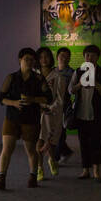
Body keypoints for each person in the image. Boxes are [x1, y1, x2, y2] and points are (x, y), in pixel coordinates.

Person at [0, 47, 49, 189]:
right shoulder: (11, 78)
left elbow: (48, 98)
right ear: (20, 60)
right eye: (26, 59)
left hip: (30, 119)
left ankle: (32, 176)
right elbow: (1, 99)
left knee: (31, 150)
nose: (29, 62)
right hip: (12, 117)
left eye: (31, 60)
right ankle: (1, 177)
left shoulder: (38, 79)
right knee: (7, 148)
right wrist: (13, 103)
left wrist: (33, 100)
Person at [68, 44, 101, 180]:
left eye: (92, 55)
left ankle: (96, 171)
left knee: (96, 143)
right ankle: (85, 170)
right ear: (84, 56)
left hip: (97, 114)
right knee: (83, 143)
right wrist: (80, 84)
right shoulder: (78, 71)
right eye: (87, 55)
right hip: (81, 114)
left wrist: (95, 83)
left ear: (97, 57)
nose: (89, 57)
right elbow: (70, 90)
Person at [35, 47, 62, 178]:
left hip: (50, 114)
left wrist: (49, 108)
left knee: (48, 141)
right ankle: (39, 168)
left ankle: (51, 159)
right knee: (38, 141)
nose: (43, 60)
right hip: (36, 113)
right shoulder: (34, 75)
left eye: (46, 56)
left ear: (51, 58)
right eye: (40, 57)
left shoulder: (57, 76)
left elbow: (60, 98)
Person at [53, 47, 76, 160]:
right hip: (52, 106)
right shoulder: (52, 71)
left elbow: (73, 90)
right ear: (57, 57)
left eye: (67, 56)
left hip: (64, 106)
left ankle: (55, 158)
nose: (64, 58)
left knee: (61, 131)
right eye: (62, 55)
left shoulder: (72, 73)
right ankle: (66, 151)